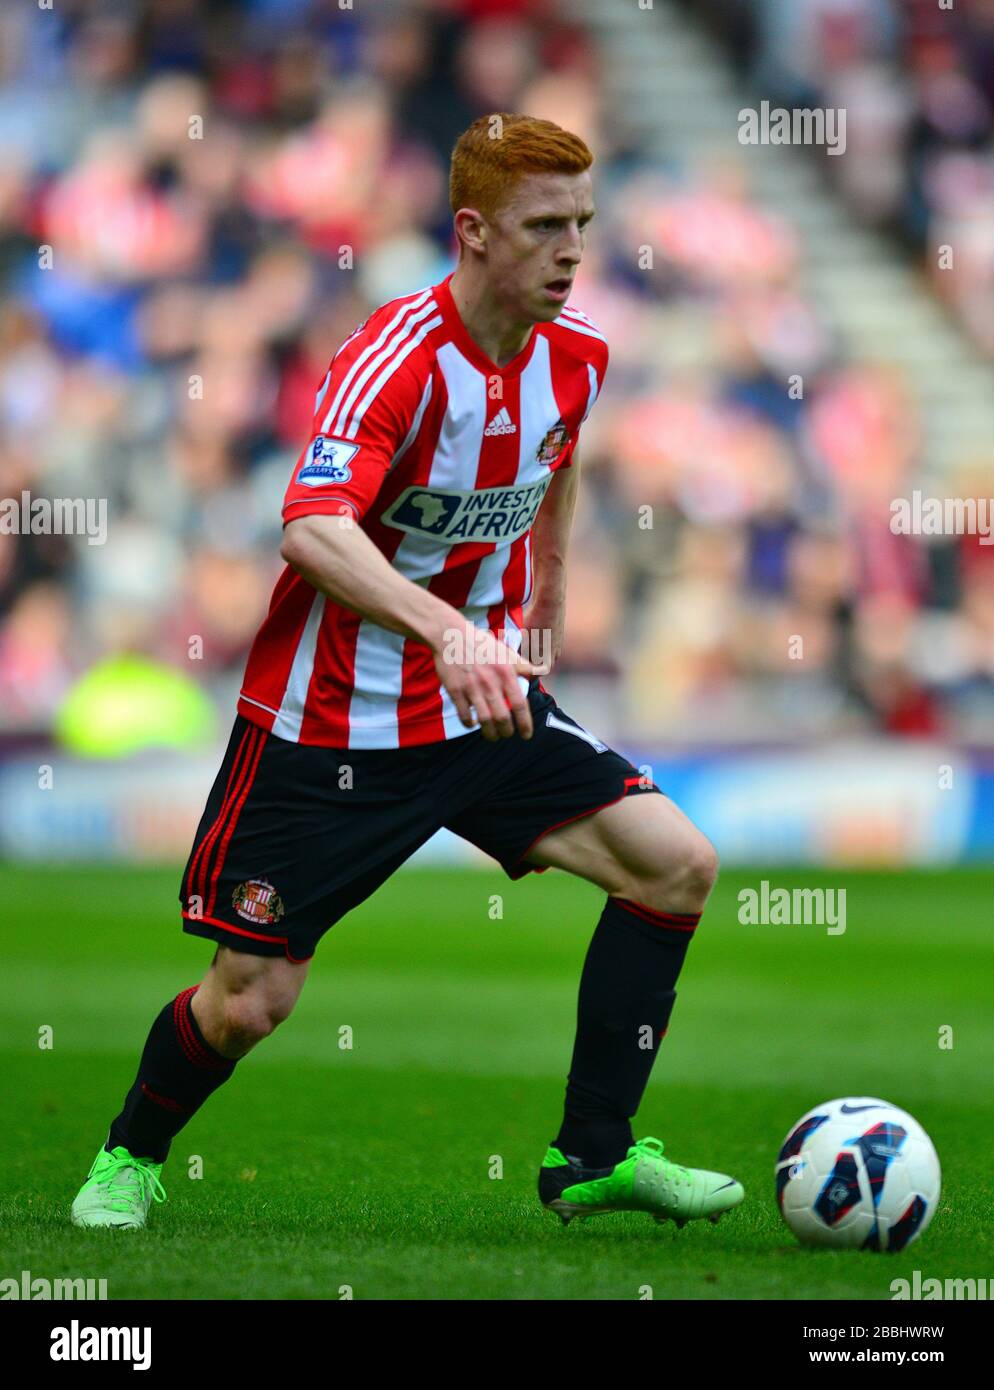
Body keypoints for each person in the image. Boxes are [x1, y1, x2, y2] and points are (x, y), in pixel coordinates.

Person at [71, 113, 743, 1232]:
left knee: (674, 866)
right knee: (251, 1001)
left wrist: (547, 596)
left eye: (582, 222)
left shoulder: (576, 355)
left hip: (478, 706)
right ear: (473, 232)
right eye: (543, 227)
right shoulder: (395, 359)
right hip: (328, 720)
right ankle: (128, 1157)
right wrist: (451, 631)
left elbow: (557, 462)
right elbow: (310, 527)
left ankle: (592, 1157)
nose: (571, 251)